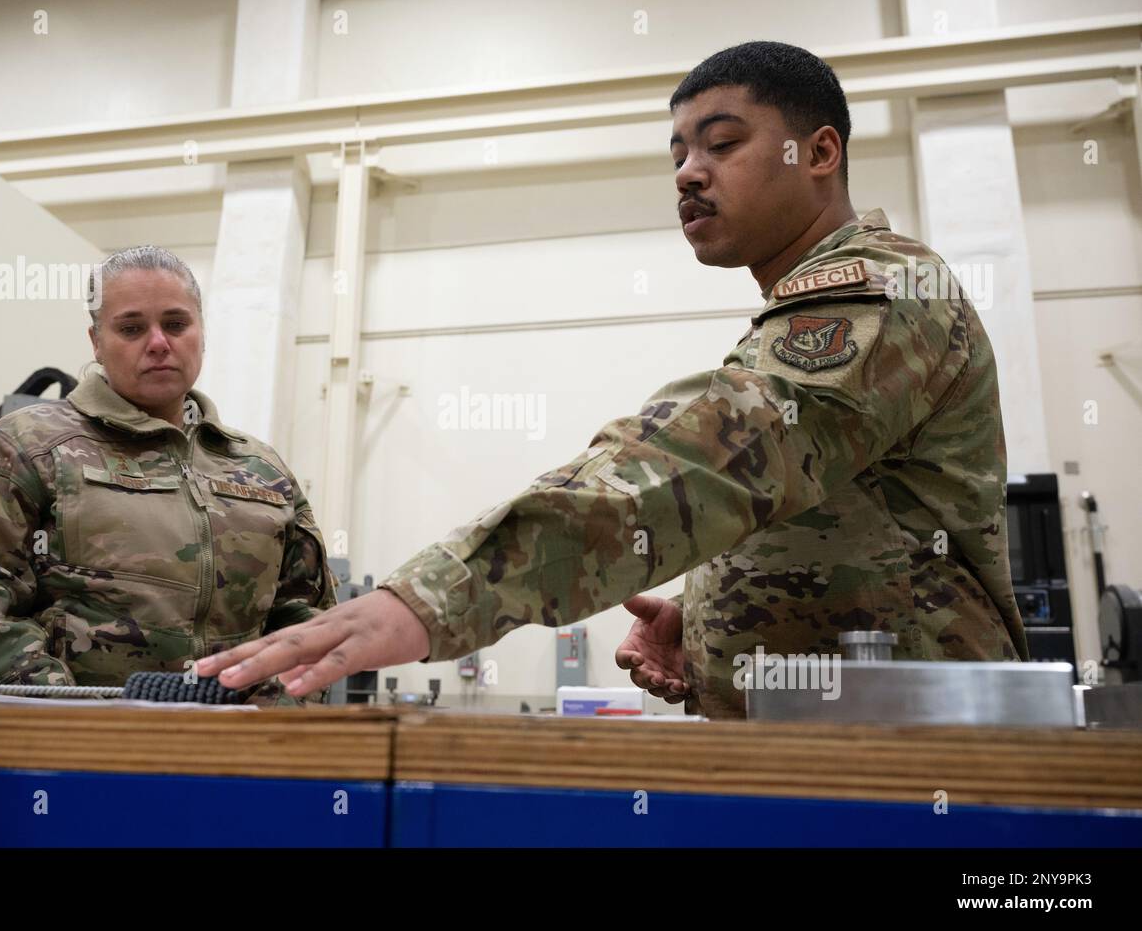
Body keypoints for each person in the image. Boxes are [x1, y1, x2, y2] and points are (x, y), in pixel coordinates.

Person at [197, 41, 1029, 718]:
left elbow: (703, 462)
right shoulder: (810, 310)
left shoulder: (884, 295)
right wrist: (712, 625)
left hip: (921, 766)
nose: (688, 172)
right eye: (678, 152)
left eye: (722, 142)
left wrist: (428, 600)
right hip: (832, 751)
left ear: (818, 151)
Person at [0, 246, 336, 696]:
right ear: (96, 342)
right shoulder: (27, 447)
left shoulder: (261, 468)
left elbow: (305, 619)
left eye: (176, 324)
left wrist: (278, 719)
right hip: (84, 747)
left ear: (201, 332)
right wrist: (69, 716)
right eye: (132, 328)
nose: (159, 342)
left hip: (240, 744)